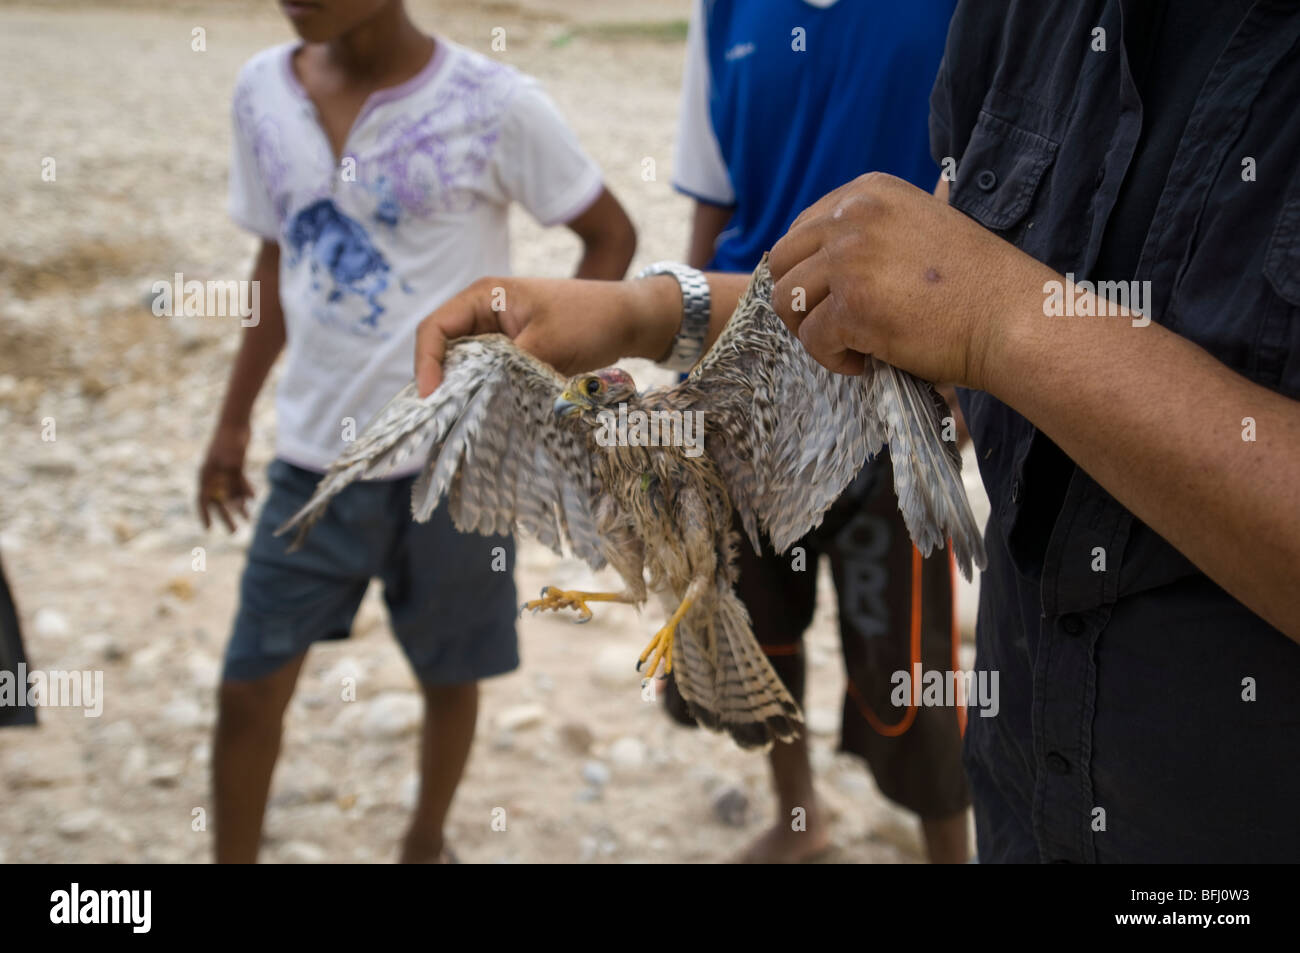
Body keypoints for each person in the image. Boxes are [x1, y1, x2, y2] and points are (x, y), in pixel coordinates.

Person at [412, 0, 1300, 863]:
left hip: (1219, 813)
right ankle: (802, 810)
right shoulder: (1018, 20)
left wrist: (998, 322)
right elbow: (888, 307)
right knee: (778, 631)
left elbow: (944, 303)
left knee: (903, 680)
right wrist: (641, 310)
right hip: (1028, 787)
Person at [198, 0, 636, 863]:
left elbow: (609, 233)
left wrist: (528, 389)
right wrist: (231, 419)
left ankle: (425, 840)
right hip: (313, 459)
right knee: (249, 690)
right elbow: (277, 255)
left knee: (450, 671)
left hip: (454, 464)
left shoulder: (493, 102)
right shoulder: (262, 91)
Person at [665, 0, 969, 864]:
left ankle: (951, 846)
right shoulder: (725, 12)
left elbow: (991, 183)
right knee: (764, 626)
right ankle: (801, 817)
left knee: (912, 654)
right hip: (754, 374)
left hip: (897, 383)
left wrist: (972, 373)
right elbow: (715, 201)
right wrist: (694, 374)